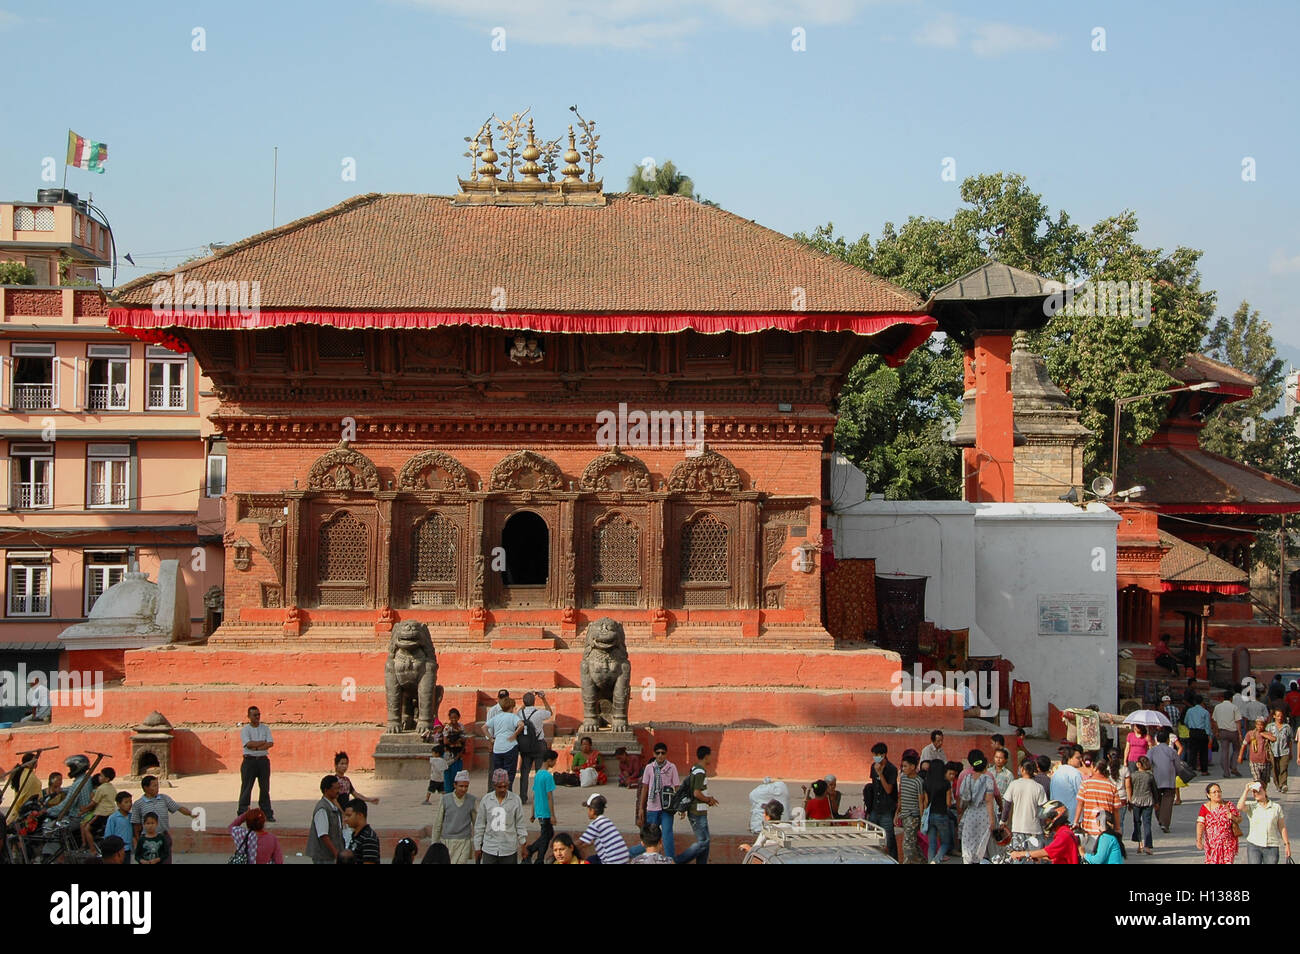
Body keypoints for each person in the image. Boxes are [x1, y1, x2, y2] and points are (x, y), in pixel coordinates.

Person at [130, 775, 198, 863]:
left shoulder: (164, 798)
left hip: (163, 836)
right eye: (154, 786)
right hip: (147, 839)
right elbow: (136, 824)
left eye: (157, 785)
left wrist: (190, 814)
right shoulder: (138, 804)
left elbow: (178, 808)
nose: (157, 788)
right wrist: (137, 840)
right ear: (146, 788)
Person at [635, 742, 680, 861]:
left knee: (667, 835)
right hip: (652, 807)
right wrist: (641, 808)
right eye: (658, 753)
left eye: (663, 753)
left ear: (666, 754)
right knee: (650, 837)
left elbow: (676, 787)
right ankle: (631, 853)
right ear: (654, 754)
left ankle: (671, 860)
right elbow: (645, 788)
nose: (660, 755)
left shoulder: (672, 767)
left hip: (667, 807)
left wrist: (680, 806)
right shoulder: (649, 768)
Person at [474, 768, 528, 864]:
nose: (503, 789)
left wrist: (523, 844)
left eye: (505, 786)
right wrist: (477, 846)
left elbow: (520, 824)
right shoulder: (486, 800)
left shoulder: (515, 800)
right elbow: (480, 825)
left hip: (509, 849)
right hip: (489, 848)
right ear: (494, 785)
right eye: (499, 787)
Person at [676, 745, 719, 865]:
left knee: (705, 841)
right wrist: (708, 800)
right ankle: (678, 860)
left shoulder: (695, 768)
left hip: (698, 810)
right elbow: (696, 793)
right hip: (697, 812)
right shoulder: (700, 772)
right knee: (704, 841)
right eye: (710, 755)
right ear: (706, 756)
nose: (711, 758)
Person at [1002, 757, 1047, 863]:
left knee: (1017, 859)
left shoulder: (1014, 784)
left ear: (1022, 769)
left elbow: (1007, 805)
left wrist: (1003, 821)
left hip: (1018, 829)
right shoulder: (1039, 788)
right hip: (1034, 830)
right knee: (1034, 859)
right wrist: (1044, 827)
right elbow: (1043, 810)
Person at [957, 749, 997, 864]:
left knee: (968, 842)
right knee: (982, 844)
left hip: (970, 814)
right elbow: (989, 801)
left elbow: (963, 799)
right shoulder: (988, 779)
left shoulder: (967, 778)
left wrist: (961, 813)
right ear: (985, 766)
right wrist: (992, 820)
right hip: (984, 815)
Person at [1236, 780, 1291, 864]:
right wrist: (1246, 790)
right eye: (1254, 792)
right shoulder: (1251, 806)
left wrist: (1287, 845)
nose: (1256, 794)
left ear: (1265, 791)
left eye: (1258, 791)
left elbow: (1282, 827)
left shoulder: (1276, 807)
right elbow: (1239, 807)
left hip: (1272, 846)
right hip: (1254, 845)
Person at [1010, 800, 1079, 864]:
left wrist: (1021, 854)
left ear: (1055, 817)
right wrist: (1040, 857)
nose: (1045, 822)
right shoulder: (1065, 832)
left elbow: (1047, 851)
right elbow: (1058, 856)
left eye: (1047, 820)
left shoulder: (1064, 835)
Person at [431, 770, 477, 865]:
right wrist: (434, 843)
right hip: (447, 841)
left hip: (464, 842)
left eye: (466, 786)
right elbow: (438, 822)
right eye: (461, 786)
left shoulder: (472, 800)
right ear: (454, 785)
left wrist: (478, 843)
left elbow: (476, 823)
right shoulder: (445, 799)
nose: (463, 789)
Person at [237, 705, 275, 821]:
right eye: (255, 715)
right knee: (247, 788)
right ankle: (243, 813)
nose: (257, 717)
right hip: (249, 761)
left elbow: (270, 743)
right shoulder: (245, 730)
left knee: (264, 788)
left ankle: (266, 813)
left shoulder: (265, 728)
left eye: (259, 714)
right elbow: (248, 744)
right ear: (249, 716)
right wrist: (262, 744)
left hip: (263, 761)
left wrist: (257, 747)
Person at [863, 742, 898, 859]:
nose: (875, 758)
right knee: (872, 838)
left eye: (876, 755)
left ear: (883, 755)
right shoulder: (873, 767)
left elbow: (888, 789)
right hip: (875, 808)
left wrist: (880, 774)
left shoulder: (891, 769)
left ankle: (892, 860)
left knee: (889, 840)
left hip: (887, 810)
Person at [516, 691, 553, 802]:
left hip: (525, 746)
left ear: (523, 702)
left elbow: (519, 710)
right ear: (534, 702)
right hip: (538, 744)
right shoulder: (538, 713)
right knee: (540, 772)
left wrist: (524, 703)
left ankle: (523, 796)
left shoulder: (519, 714)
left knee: (524, 772)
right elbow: (549, 712)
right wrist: (543, 699)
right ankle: (540, 796)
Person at [525, 748, 558, 864]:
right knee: (545, 837)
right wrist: (553, 815)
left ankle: (532, 850)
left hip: (539, 810)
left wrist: (533, 813)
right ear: (549, 760)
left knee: (548, 834)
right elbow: (549, 797)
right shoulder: (548, 776)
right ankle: (538, 858)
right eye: (554, 761)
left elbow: (535, 795)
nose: (555, 763)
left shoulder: (538, 774)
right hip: (545, 811)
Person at [577, 793, 629, 864]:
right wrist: (581, 847)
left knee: (588, 862)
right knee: (590, 859)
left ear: (592, 810)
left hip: (612, 861)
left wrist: (568, 847)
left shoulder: (595, 824)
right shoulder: (607, 821)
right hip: (624, 858)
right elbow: (591, 842)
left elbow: (580, 842)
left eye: (588, 809)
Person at [1196, 782, 1240, 865]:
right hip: (1212, 846)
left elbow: (1239, 819)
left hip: (1228, 844)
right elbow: (1200, 824)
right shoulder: (1205, 808)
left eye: (1219, 791)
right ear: (1208, 795)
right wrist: (1199, 840)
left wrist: (1233, 817)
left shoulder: (1228, 805)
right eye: (1214, 792)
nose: (1217, 794)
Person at [485, 697, 524, 789]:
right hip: (510, 746)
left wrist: (491, 739)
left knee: (498, 772)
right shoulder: (513, 716)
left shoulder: (496, 717)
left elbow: (484, 727)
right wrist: (514, 735)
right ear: (511, 707)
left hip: (498, 747)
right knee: (509, 772)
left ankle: (498, 791)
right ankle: (508, 791)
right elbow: (521, 725)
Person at [895, 750, 926, 864]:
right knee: (913, 843)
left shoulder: (919, 782)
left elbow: (921, 801)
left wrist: (922, 819)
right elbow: (901, 797)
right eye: (902, 766)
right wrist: (897, 813)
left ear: (913, 767)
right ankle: (923, 861)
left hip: (913, 817)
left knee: (907, 844)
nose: (903, 768)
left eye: (905, 766)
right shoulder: (903, 778)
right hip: (904, 815)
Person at [306, 774, 344, 865]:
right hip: (324, 857)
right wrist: (336, 853)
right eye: (335, 789)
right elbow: (323, 835)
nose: (338, 791)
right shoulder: (322, 809)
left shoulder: (333, 807)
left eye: (338, 788)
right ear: (326, 790)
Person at [1075, 759, 1118, 837]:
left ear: (1094, 768)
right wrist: (1117, 828)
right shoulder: (1112, 786)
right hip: (1105, 830)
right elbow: (1115, 810)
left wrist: (1076, 822)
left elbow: (1080, 804)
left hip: (1089, 829)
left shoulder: (1086, 784)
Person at [923, 759, 956, 863]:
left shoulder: (926, 783)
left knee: (932, 845)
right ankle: (936, 860)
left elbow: (926, 801)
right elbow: (948, 803)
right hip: (942, 815)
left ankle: (930, 861)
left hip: (930, 816)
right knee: (946, 843)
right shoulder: (946, 784)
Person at [1126, 755, 1157, 855]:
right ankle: (1148, 846)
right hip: (1148, 801)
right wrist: (1156, 802)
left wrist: (1129, 801)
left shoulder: (1133, 775)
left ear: (1138, 764)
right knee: (1147, 823)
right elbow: (1154, 790)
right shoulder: (1150, 776)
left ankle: (1139, 844)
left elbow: (1129, 788)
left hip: (1135, 801)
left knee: (1137, 822)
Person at [80, 766, 118, 847]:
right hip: (111, 813)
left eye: (101, 776)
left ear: (107, 779)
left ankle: (90, 848)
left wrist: (84, 809)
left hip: (101, 814)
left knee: (86, 828)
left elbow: (94, 803)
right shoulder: (112, 788)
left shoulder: (101, 788)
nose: (99, 777)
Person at [1211, 691, 1243, 778]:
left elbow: (1214, 721)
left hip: (1222, 732)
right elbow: (1238, 721)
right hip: (1233, 732)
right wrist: (1240, 734)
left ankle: (1226, 772)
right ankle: (1233, 766)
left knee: (1224, 751)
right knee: (1237, 749)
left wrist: (1216, 731)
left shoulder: (1217, 707)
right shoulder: (1234, 707)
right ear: (1231, 698)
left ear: (1222, 698)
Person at [4, 752, 42, 824]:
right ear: (28, 763)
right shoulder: (27, 775)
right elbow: (27, 792)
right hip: (27, 805)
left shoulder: (25, 772)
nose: (36, 763)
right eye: (34, 761)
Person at [1238, 716, 1275, 790]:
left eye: (1262, 725)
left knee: (1264, 781)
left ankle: (1263, 794)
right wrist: (1240, 756)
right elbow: (1244, 745)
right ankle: (1258, 794)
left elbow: (1274, 739)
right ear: (1255, 725)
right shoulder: (1250, 734)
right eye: (1258, 724)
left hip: (1266, 761)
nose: (1260, 726)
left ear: (1265, 725)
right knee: (1257, 780)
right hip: (1254, 761)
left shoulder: (1267, 733)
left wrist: (1264, 735)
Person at [1049, 747, 1084, 822]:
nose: (1080, 760)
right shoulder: (1074, 773)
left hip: (1059, 816)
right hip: (1073, 817)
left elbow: (1052, 797)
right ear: (1069, 758)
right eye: (1078, 758)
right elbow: (1082, 795)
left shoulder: (1057, 772)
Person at [104, 791, 135, 865]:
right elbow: (108, 835)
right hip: (117, 850)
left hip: (128, 849)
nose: (129, 804)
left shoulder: (132, 817)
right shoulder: (113, 818)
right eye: (126, 802)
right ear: (118, 804)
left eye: (130, 802)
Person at [1267, 706, 1293, 793]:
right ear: (1274, 716)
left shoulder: (1287, 727)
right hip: (1273, 752)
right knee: (1275, 769)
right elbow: (1266, 738)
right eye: (1278, 716)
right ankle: (1277, 784)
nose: (1280, 718)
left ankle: (1283, 784)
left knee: (1284, 768)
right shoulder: (1269, 727)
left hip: (1284, 751)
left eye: (1281, 716)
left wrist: (1291, 752)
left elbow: (1290, 740)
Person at [1184, 694, 1211, 774]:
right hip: (1202, 732)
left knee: (1192, 751)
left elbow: (1186, 722)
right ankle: (1204, 770)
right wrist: (1209, 735)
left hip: (1193, 732)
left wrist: (1190, 728)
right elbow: (1207, 725)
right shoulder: (1205, 712)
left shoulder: (1189, 711)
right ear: (1202, 702)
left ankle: (1191, 769)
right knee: (1203, 752)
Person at [441, 708, 467, 790]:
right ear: (449, 718)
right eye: (452, 718)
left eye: (455, 717)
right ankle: (448, 792)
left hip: (459, 753)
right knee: (449, 775)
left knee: (457, 774)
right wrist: (456, 740)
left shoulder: (461, 726)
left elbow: (464, 739)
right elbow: (445, 741)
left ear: (459, 717)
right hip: (449, 754)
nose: (454, 719)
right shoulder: (447, 728)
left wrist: (457, 740)